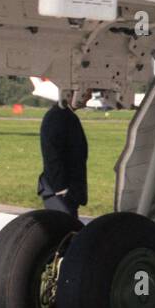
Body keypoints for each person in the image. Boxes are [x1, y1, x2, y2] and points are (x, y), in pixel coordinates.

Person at [38, 92, 88, 220]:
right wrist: (61, 188)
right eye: (87, 93)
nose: (89, 97)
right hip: (61, 192)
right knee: (64, 229)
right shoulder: (58, 117)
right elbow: (52, 154)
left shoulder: (63, 115)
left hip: (66, 191)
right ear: (72, 94)